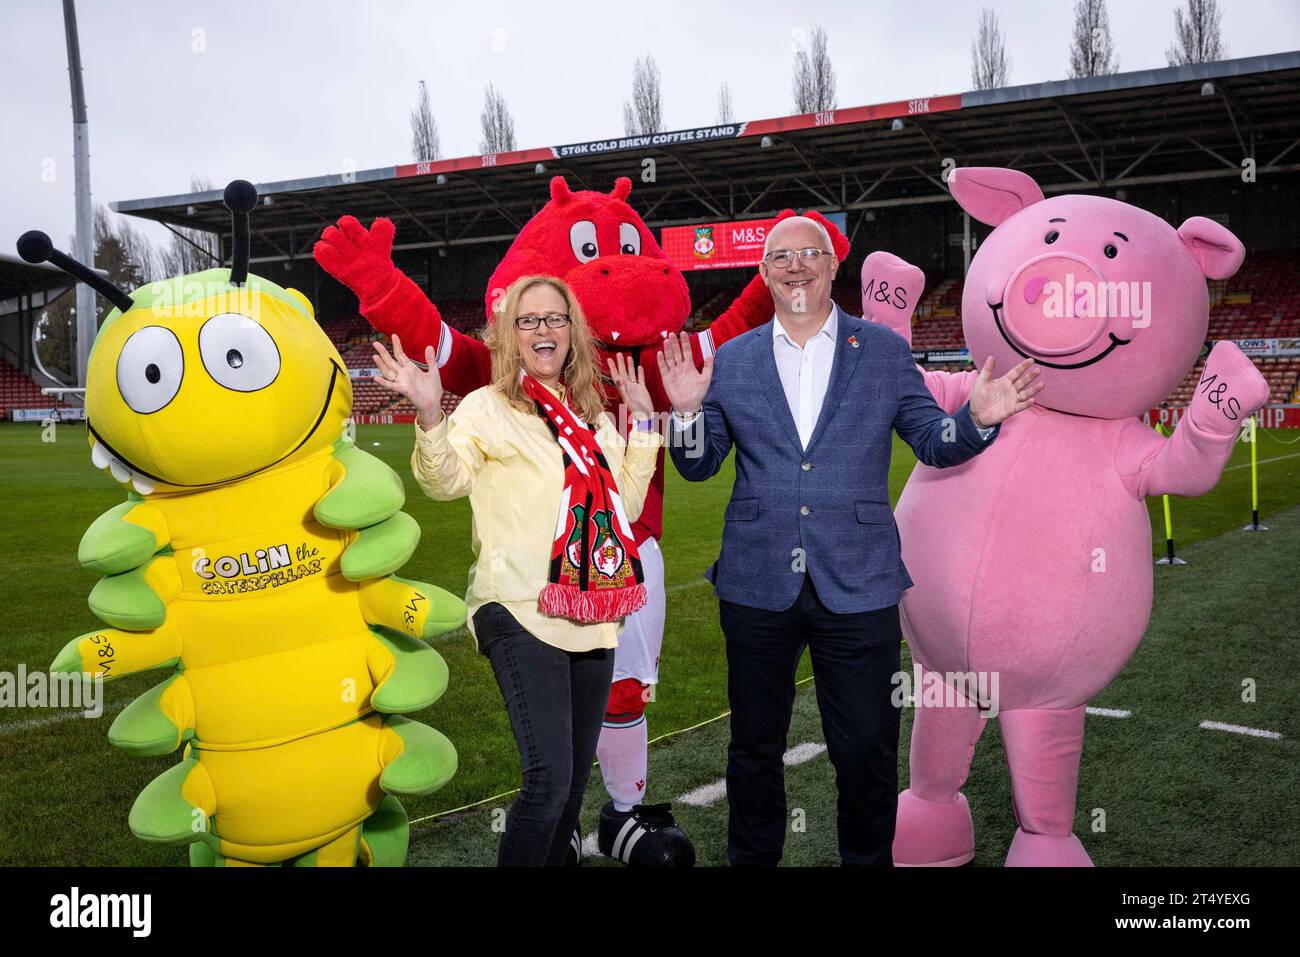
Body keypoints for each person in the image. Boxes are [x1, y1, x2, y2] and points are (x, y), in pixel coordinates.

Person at [659, 216, 1043, 866]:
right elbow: (700, 464)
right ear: (764, 272)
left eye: (810, 253)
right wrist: (690, 414)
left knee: (866, 750)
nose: (795, 265)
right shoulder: (734, 357)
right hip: (756, 585)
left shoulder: (885, 352)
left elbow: (933, 440)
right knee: (754, 747)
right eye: (780, 256)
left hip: (861, 584)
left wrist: (976, 417)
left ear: (834, 265)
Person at [372, 274, 663, 867]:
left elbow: (623, 512)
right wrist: (430, 414)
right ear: (510, 335)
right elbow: (444, 480)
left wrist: (645, 427)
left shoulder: (590, 415)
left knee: (572, 788)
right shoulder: (487, 407)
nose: (543, 330)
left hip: (591, 618)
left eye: (555, 319)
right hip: (518, 612)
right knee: (549, 780)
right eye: (528, 321)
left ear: (572, 332)